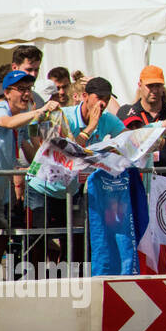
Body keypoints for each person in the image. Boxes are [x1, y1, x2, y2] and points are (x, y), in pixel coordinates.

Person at [26, 76, 126, 260]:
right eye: (99, 97)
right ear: (85, 96)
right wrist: (90, 128)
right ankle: (35, 283)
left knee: (73, 241)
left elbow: (128, 139)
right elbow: (68, 153)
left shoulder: (108, 119)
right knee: (38, 240)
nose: (103, 103)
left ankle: (71, 282)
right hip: (43, 186)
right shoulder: (63, 115)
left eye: (107, 98)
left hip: (70, 190)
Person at [0, 72, 60, 276]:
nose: (27, 94)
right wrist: (39, 112)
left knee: (2, 234)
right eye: (21, 89)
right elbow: (7, 123)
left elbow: (28, 150)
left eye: (29, 89)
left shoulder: (24, 116)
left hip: (0, 191)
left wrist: (49, 167)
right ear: (7, 93)